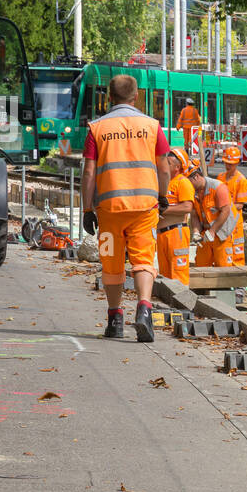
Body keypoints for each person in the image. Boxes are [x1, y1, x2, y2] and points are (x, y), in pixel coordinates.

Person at [80, 74, 171, 342]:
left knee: (111, 262)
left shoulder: (97, 128)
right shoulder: (152, 126)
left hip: (109, 210)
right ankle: (144, 309)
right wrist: (162, 195)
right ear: (136, 96)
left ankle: (115, 319)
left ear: (109, 97)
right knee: (143, 260)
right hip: (144, 208)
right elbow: (164, 166)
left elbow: (88, 173)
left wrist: (87, 209)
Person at [156, 146, 197, 285]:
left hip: (175, 233)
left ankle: (181, 304)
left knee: (178, 274)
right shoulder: (164, 181)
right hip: (162, 234)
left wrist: (163, 211)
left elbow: (187, 207)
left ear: (177, 167)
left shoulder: (182, 182)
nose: (165, 165)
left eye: (169, 163)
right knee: (164, 274)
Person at [191, 162, 237, 268]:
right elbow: (194, 215)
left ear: (196, 177)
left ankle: (225, 285)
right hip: (205, 234)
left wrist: (212, 231)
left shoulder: (217, 187)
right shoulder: (193, 192)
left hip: (221, 234)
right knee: (201, 266)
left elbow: (225, 211)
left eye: (188, 181)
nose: (186, 185)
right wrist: (196, 231)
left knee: (223, 267)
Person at [217, 143, 247, 266]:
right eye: (226, 163)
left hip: (235, 222)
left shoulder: (241, 180)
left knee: (237, 251)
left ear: (237, 163)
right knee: (225, 250)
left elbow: (240, 205)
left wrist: (223, 208)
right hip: (222, 219)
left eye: (230, 164)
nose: (227, 166)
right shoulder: (220, 177)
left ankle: (238, 281)